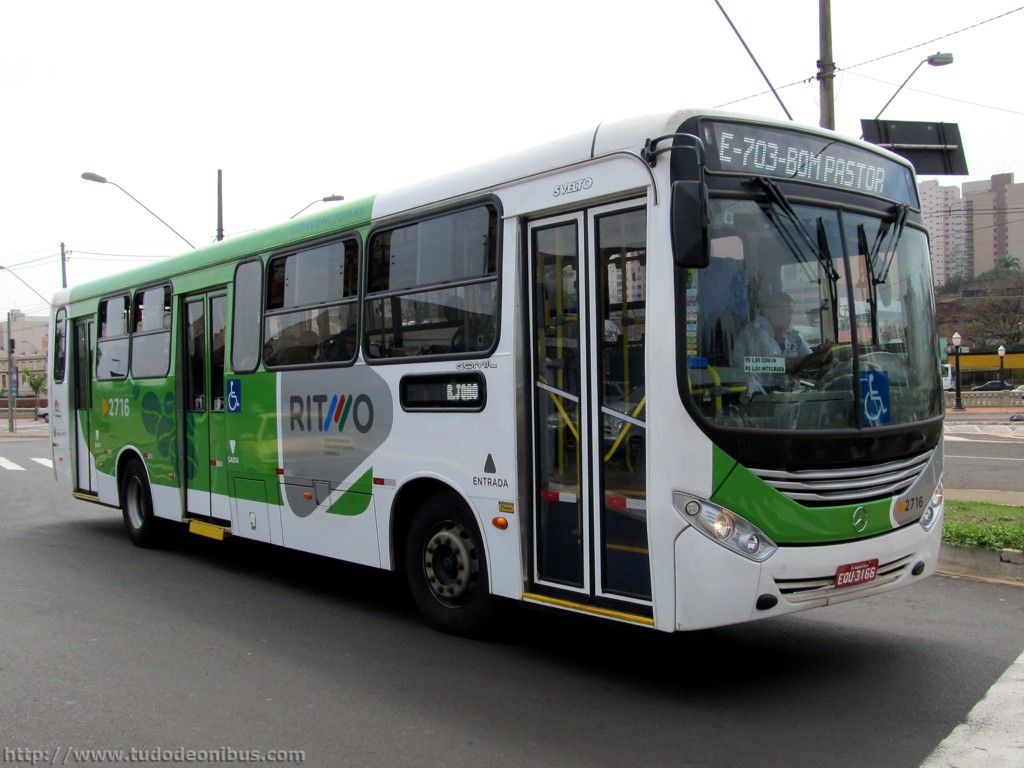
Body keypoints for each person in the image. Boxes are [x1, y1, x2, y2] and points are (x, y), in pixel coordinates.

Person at [731, 292, 813, 393]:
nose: (786, 316)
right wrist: (807, 360)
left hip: (786, 397)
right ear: (767, 312)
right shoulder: (755, 332)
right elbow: (774, 364)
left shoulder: (792, 335)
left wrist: (823, 353)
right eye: (781, 312)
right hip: (756, 396)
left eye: (789, 312)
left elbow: (810, 361)